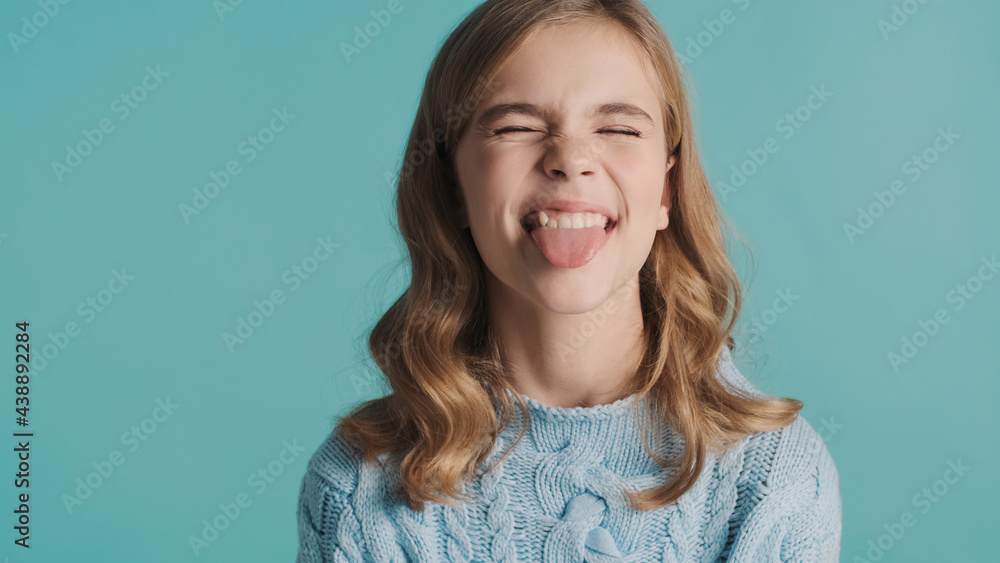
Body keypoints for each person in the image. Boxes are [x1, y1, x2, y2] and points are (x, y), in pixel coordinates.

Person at [297, 0, 841, 561]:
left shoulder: (773, 476)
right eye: (516, 125)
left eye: (617, 127)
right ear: (454, 187)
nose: (570, 160)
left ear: (665, 192)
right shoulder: (358, 486)